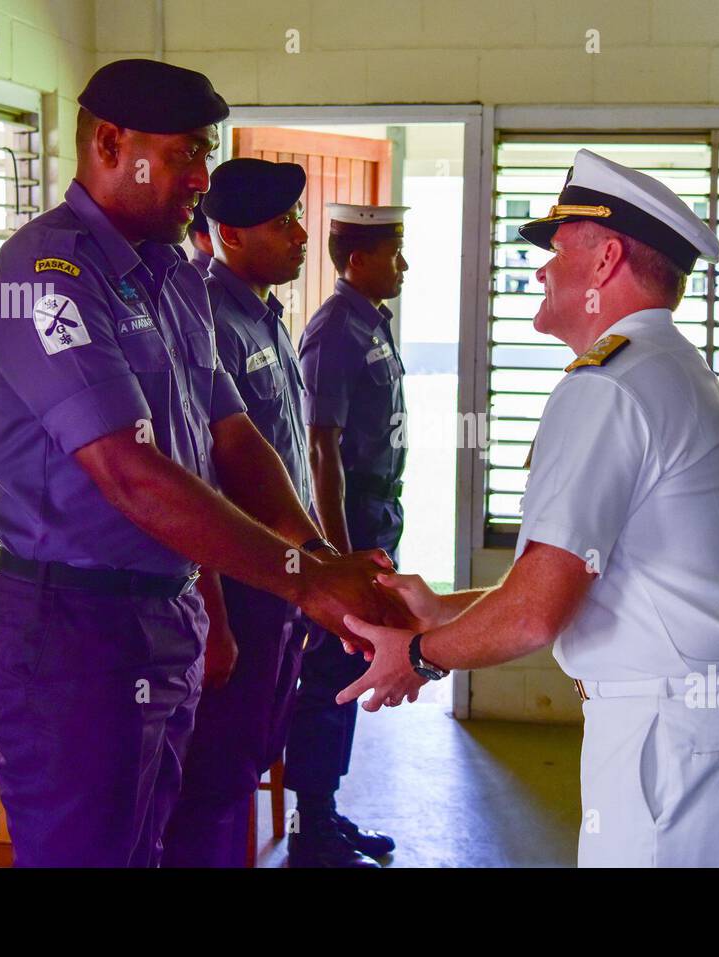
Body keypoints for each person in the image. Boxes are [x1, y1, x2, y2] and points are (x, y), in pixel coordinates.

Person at [0, 59, 393, 867]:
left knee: (154, 846)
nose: (203, 176)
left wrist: (323, 560)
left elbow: (230, 436)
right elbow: (129, 470)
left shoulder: (171, 279)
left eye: (207, 152)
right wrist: (303, 578)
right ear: (110, 141)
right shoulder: (46, 274)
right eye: (187, 153)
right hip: (71, 631)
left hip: (163, 615)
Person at [337, 150, 719, 868]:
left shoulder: (609, 386)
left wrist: (420, 657)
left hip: (670, 738)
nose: (544, 269)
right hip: (699, 728)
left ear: (607, 258)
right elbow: (574, 579)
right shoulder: (660, 366)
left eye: (557, 248)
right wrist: (440, 608)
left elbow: (533, 614)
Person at [162, 158, 315, 867]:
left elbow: (287, 461)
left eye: (296, 218)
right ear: (228, 234)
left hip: (281, 584)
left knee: (251, 755)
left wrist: (321, 573)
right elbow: (198, 482)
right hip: (239, 588)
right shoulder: (205, 319)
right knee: (215, 775)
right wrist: (215, 617)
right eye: (281, 223)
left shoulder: (270, 318)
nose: (300, 233)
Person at [287, 203, 411, 867]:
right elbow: (319, 448)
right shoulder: (335, 329)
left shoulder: (370, 321)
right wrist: (335, 555)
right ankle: (311, 828)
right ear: (358, 259)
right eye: (394, 253)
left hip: (376, 516)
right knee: (330, 670)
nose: (404, 265)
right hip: (352, 521)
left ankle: (326, 811)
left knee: (352, 666)